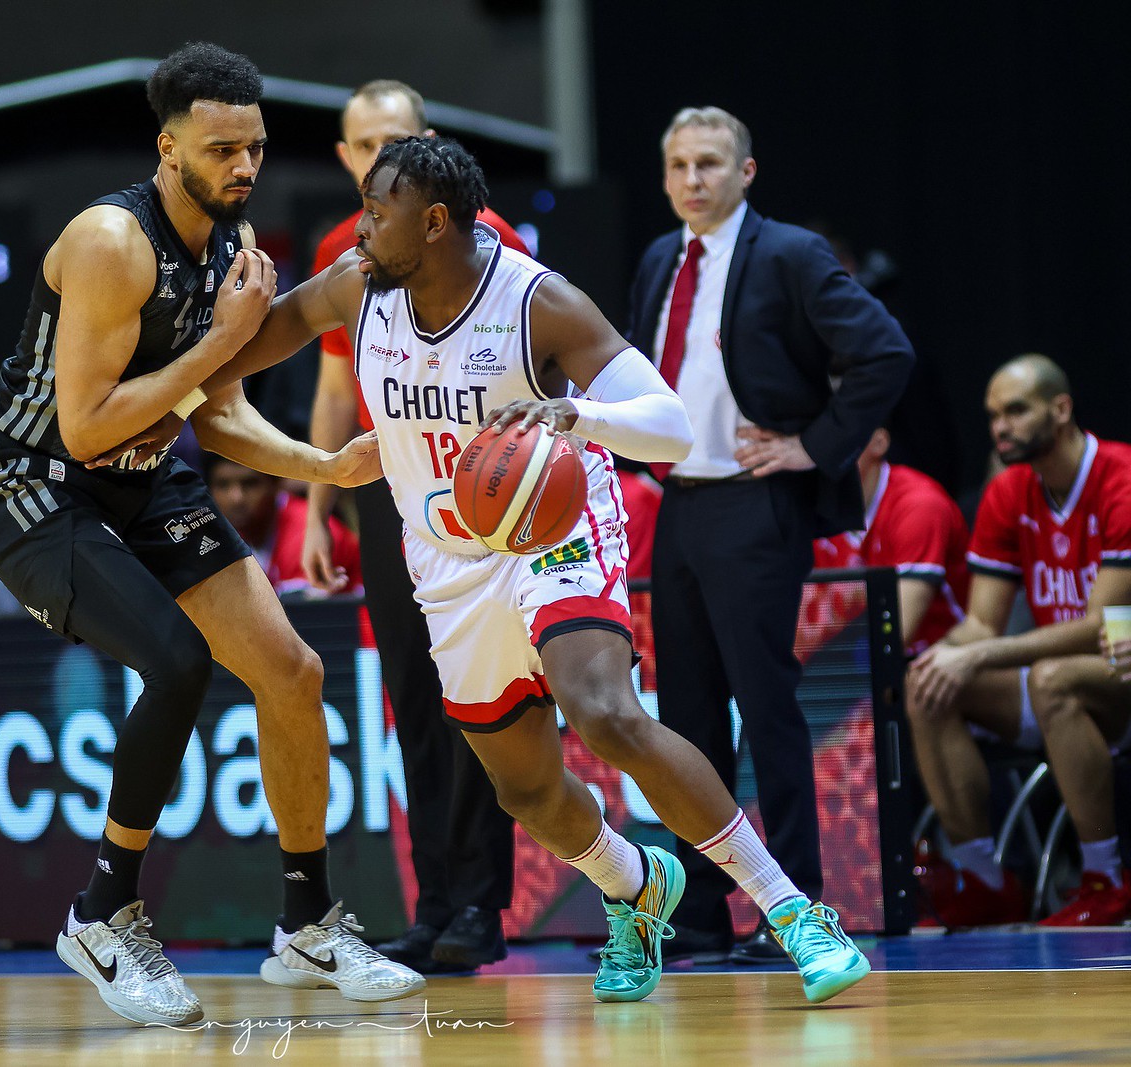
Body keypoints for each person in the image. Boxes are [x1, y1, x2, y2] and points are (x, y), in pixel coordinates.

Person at [195, 134, 870, 1005]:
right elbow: (249, 352)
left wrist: (573, 413)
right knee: (524, 788)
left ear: (433, 222)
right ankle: (635, 887)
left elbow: (669, 425)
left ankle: (793, 910)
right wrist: (177, 372)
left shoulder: (536, 299)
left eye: (376, 212)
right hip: (443, 556)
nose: (359, 229)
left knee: (607, 714)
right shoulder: (358, 286)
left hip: (554, 528)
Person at [0, 43, 422, 1027]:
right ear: (169, 148)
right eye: (221, 150)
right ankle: (100, 908)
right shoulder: (109, 241)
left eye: (253, 148)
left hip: (143, 474)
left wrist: (321, 466)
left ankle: (304, 922)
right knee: (173, 662)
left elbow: (217, 413)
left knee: (290, 672)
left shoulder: (226, 244)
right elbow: (84, 425)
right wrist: (217, 339)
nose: (243, 167)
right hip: (32, 481)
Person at [630, 107, 915, 962]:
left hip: (755, 505)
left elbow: (885, 351)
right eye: (678, 164)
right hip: (681, 503)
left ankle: (794, 908)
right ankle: (701, 913)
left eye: (710, 163)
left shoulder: (788, 251)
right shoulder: (657, 257)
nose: (692, 179)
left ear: (745, 172)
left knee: (767, 707)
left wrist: (813, 446)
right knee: (683, 719)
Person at [301, 79, 526, 972]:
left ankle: (481, 904)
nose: (377, 161)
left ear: (426, 146)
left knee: (482, 702)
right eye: (363, 148)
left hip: (478, 493)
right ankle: (434, 903)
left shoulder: (490, 237)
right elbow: (328, 388)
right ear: (347, 159)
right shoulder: (342, 253)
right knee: (414, 702)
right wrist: (318, 503)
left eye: (395, 142)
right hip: (387, 490)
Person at [908, 355, 1131, 927]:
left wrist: (978, 653)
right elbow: (982, 623)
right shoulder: (1008, 491)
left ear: (1060, 410)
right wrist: (929, 660)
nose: (1000, 427)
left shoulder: (1119, 477)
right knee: (927, 684)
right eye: (992, 416)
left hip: (1120, 665)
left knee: (1054, 679)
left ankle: (1105, 877)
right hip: (1064, 670)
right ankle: (984, 880)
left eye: (1015, 411)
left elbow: (1103, 627)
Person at [817, 427, 970, 657]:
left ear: (879, 442)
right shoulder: (812, 514)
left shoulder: (920, 505)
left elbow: (893, 637)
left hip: (938, 661)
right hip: (863, 667)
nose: (823, 452)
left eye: (837, 437)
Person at [203, 452, 361, 598]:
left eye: (250, 484)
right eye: (223, 485)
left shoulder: (309, 534)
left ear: (276, 484)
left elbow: (301, 618)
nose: (236, 498)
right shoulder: (219, 534)